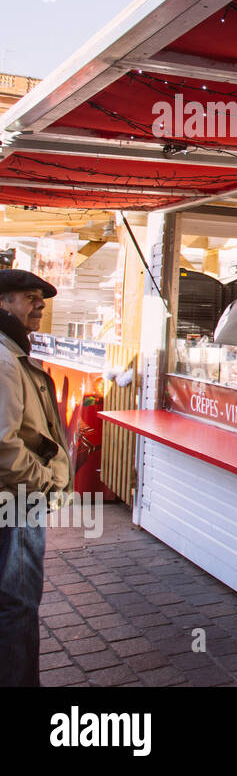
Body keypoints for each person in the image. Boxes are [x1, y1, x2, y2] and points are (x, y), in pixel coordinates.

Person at [0, 270, 70, 687]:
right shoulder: (6, 360)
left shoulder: (12, 353)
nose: (40, 304)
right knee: (17, 605)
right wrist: (45, 482)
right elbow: (4, 446)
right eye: (29, 297)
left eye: (41, 298)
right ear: (3, 304)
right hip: (16, 500)